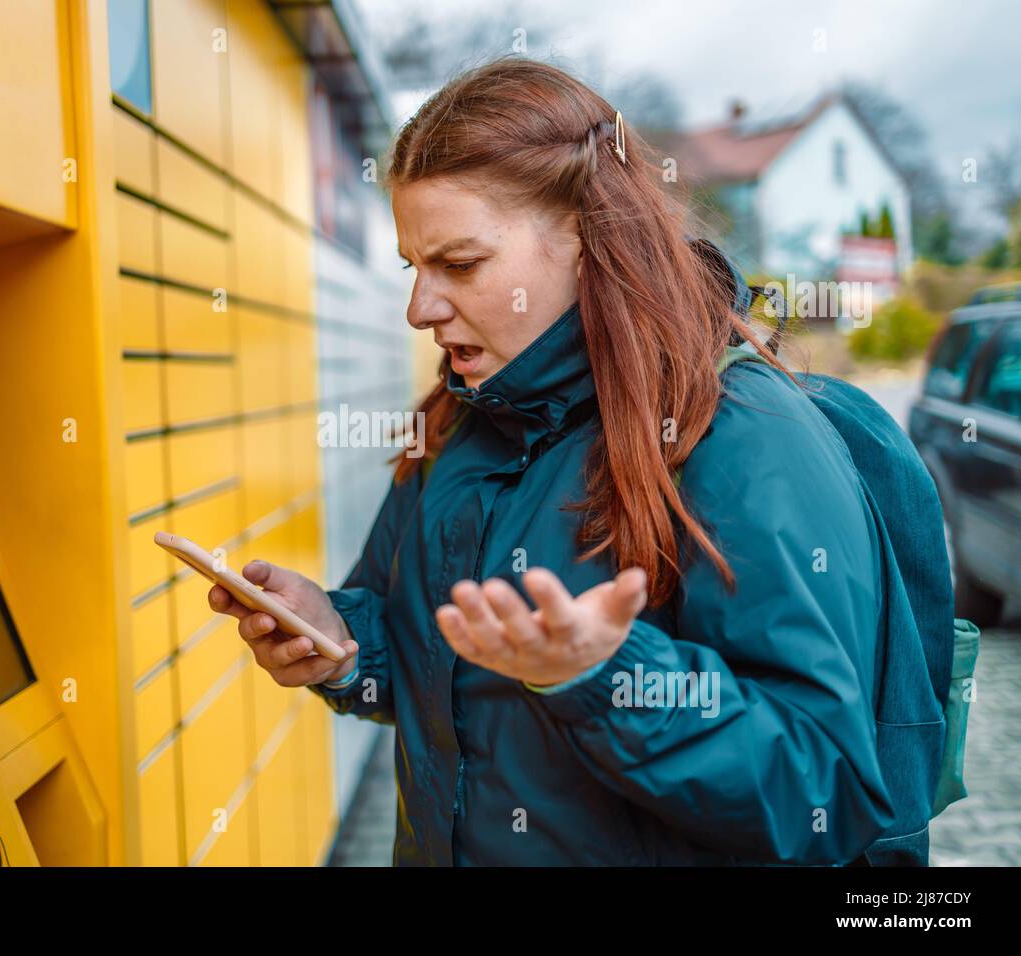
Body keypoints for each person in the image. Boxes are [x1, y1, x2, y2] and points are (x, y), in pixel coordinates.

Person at [207, 57, 895, 865]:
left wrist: (601, 676)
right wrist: (341, 644)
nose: (419, 309)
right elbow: (427, 671)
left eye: (458, 264)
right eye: (413, 267)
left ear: (587, 241)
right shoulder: (457, 422)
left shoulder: (747, 434)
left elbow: (826, 792)